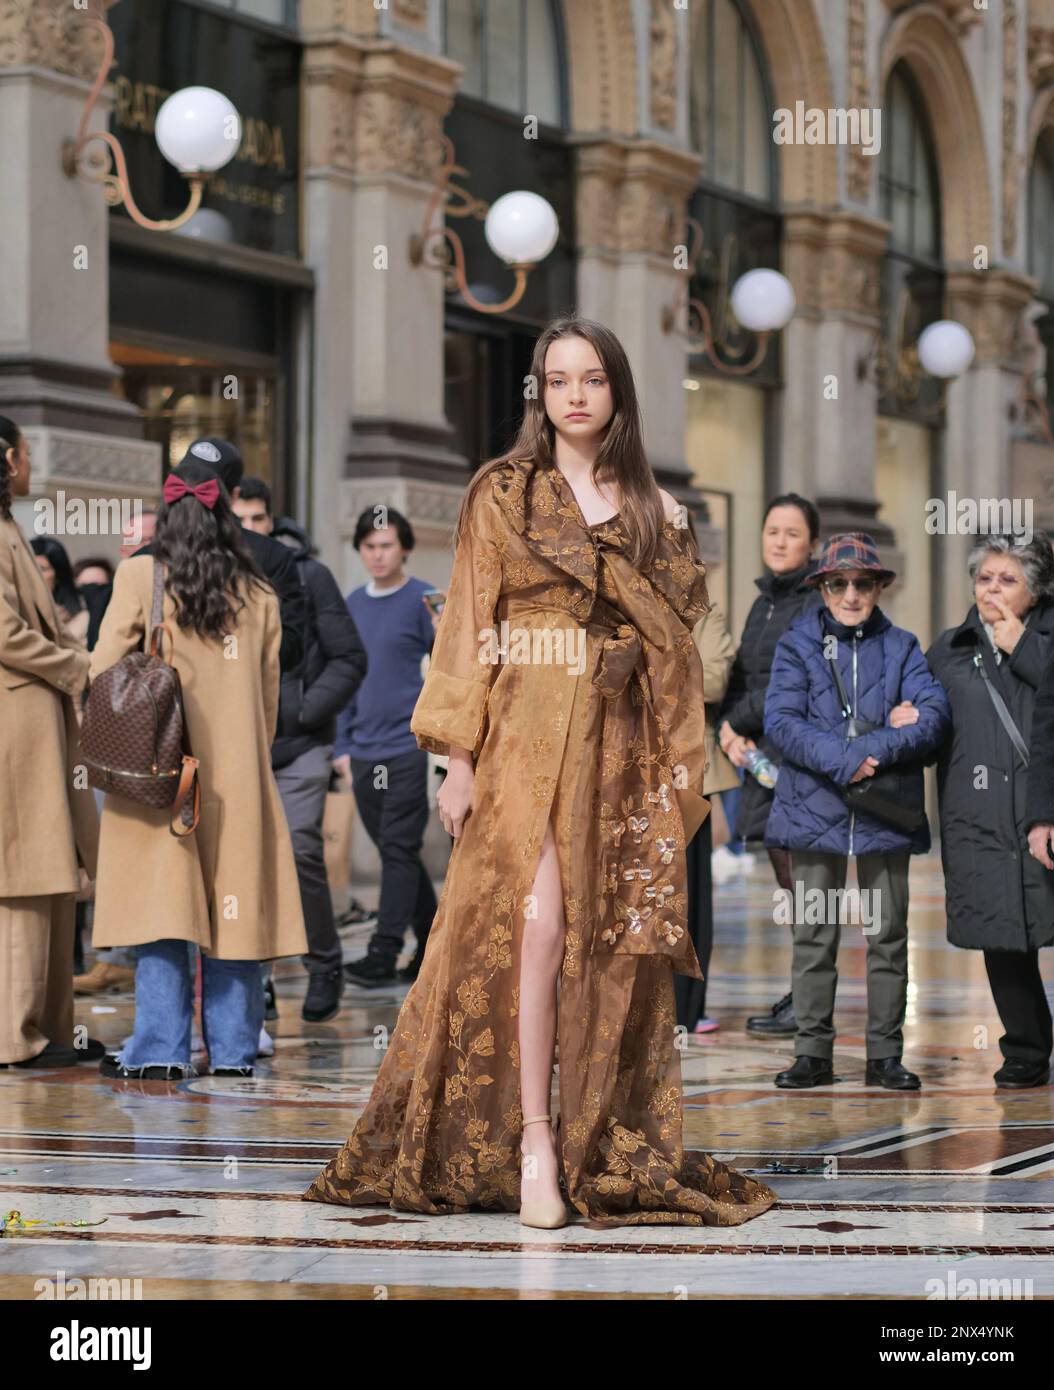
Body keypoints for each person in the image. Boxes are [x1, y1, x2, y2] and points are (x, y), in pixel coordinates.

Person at [303, 315, 776, 1229]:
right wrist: (457, 760)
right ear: (539, 392)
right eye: (558, 380)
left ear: (617, 389)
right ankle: (531, 1142)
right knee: (539, 930)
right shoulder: (503, 493)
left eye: (591, 378)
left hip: (617, 747)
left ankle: (591, 1129)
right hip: (519, 737)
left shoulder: (656, 510)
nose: (574, 395)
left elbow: (682, 648)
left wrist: (639, 653)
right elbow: (467, 625)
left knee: (607, 946)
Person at [91, 458, 306, 1079]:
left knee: (162, 910)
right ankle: (234, 1052)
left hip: (156, 772)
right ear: (227, 505)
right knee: (234, 911)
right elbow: (269, 701)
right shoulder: (259, 592)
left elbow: (102, 668)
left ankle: (160, 1051)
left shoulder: (139, 576)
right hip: (236, 776)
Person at [763, 532, 949, 1090]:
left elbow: (934, 717)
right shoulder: (797, 644)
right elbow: (782, 722)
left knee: (888, 935)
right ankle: (812, 1053)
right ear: (822, 588)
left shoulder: (903, 647)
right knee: (813, 935)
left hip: (884, 813)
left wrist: (873, 750)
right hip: (812, 808)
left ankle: (885, 1055)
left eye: (862, 584)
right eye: (839, 583)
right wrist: (849, 756)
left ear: (878, 588)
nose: (851, 595)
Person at [928, 533, 1054, 1089]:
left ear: (1039, 588)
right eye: (985, 578)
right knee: (1002, 936)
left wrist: (1024, 648)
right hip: (978, 822)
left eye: (1008, 580)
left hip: (1049, 815)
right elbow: (929, 723)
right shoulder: (951, 648)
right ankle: (1025, 1050)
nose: (992, 590)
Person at [232, 477, 367, 1023]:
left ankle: (324, 964)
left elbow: (349, 658)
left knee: (299, 849)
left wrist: (303, 711)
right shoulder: (216, 576)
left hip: (301, 743)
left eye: (257, 519)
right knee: (241, 863)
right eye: (238, 520)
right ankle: (254, 980)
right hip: (238, 745)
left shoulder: (310, 575)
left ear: (272, 521)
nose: (249, 530)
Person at [0, 415, 101, 1069]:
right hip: (16, 727)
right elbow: (5, 631)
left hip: (36, 723)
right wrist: (78, 665)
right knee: (25, 876)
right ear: (9, 458)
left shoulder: (10, 525)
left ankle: (49, 1028)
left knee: (52, 875)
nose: (32, 463)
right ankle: (16, 1035)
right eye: (27, 452)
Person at [718, 493, 822, 1037]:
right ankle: (804, 992)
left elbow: (791, 679)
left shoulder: (813, 602)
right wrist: (728, 728)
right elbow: (743, 674)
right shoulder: (764, 602)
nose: (780, 542)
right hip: (763, 756)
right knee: (789, 880)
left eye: (792, 533)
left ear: (813, 544)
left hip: (798, 759)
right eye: (772, 531)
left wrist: (737, 724)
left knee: (804, 880)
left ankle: (812, 998)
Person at [333, 506, 440, 988]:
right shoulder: (353, 604)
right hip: (361, 751)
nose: (378, 555)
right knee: (398, 854)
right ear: (360, 550)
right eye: (370, 546)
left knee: (398, 847)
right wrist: (341, 744)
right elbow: (344, 677)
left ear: (405, 549)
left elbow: (449, 669)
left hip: (406, 747)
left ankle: (383, 952)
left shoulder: (425, 600)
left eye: (387, 546)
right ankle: (432, 946)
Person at [134, 440, 306, 674]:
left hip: (158, 693)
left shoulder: (142, 562)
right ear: (234, 496)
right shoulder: (271, 556)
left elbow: (114, 650)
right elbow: (288, 649)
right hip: (238, 693)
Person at [677, 597, 740, 1035]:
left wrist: (652, 669)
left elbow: (714, 681)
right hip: (627, 770)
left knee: (691, 895)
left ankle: (687, 1009)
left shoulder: (703, 610)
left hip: (691, 771)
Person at [31, 537, 89, 648]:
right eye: (28, 568)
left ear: (58, 574)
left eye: (41, 569)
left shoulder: (83, 620)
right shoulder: (16, 614)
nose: (32, 574)